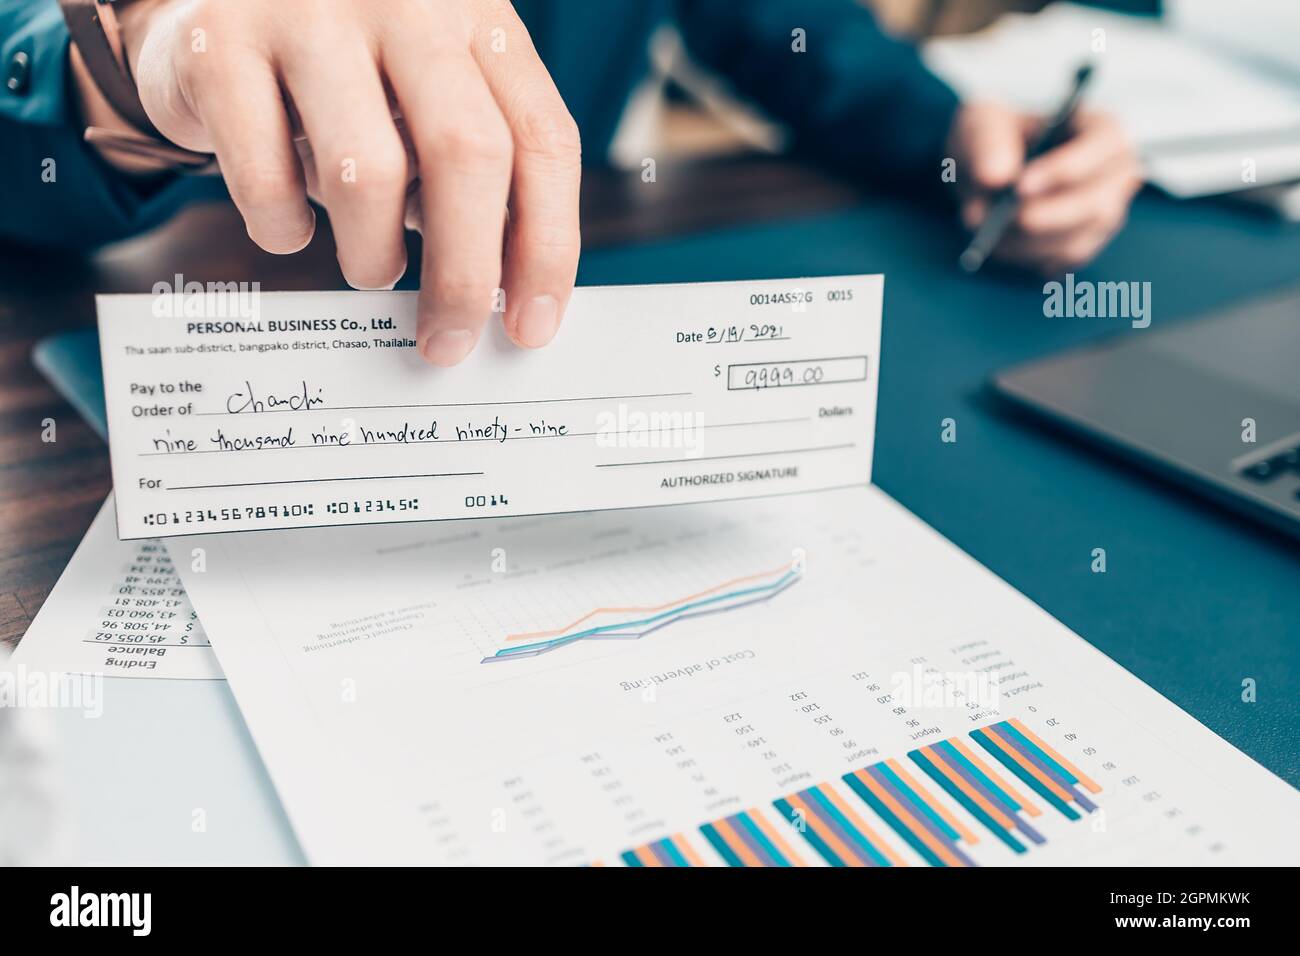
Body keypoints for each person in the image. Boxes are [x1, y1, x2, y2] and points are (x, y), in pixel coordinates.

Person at [0, 0, 1141, 366]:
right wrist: (128, 56)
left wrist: (965, 138)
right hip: (139, 333)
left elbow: (794, 36)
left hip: (508, 345)